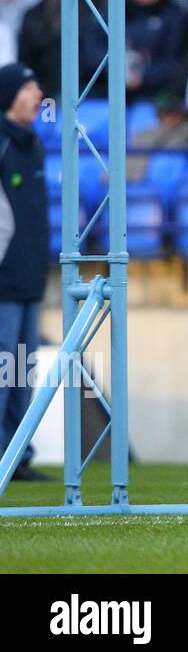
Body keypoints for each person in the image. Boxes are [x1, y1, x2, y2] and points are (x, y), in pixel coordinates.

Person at [0, 63, 47, 480]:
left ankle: (17, 455)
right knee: (4, 366)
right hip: (4, 280)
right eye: (29, 88)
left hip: (30, 276)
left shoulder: (33, 144)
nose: (37, 95)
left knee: (22, 370)